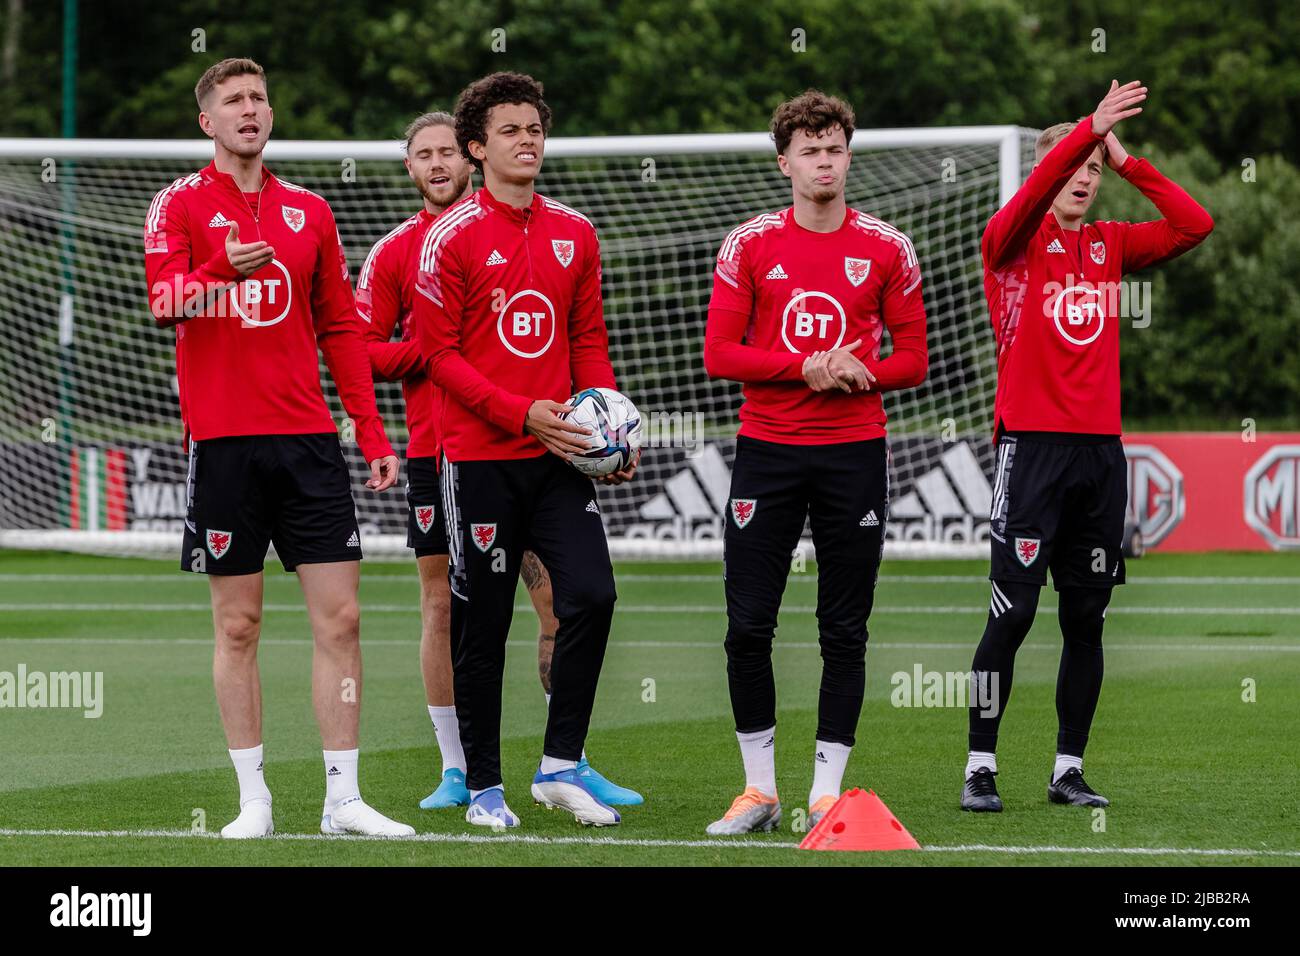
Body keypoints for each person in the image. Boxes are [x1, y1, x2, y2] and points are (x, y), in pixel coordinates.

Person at [143, 57, 413, 838]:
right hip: (223, 445)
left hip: (309, 443)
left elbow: (340, 329)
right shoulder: (179, 205)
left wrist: (370, 431)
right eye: (233, 101)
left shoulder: (310, 212)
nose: (250, 109)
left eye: (259, 97)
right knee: (239, 625)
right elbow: (164, 302)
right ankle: (252, 799)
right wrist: (220, 268)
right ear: (208, 122)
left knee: (343, 619)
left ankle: (344, 800)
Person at [360, 110, 641, 811]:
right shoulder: (431, 243)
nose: (527, 140)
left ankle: (561, 765)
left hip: (558, 459)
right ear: (481, 147)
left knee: (589, 598)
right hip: (468, 458)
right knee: (470, 618)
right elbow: (427, 352)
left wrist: (610, 428)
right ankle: (474, 778)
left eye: (536, 129)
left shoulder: (575, 232)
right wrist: (519, 410)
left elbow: (589, 341)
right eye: (509, 130)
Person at [961, 80, 1214, 812]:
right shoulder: (1010, 244)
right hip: (1032, 450)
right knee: (1010, 616)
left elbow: (1194, 224)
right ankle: (980, 766)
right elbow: (1032, 193)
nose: (1082, 178)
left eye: (1093, 170)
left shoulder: (1108, 245)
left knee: (1085, 618)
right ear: (1049, 172)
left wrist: (1126, 158)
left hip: (1100, 455)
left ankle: (1067, 769)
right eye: (1073, 165)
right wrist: (1084, 131)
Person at [702, 90, 929, 834]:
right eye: (809, 149)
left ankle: (827, 792)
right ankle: (758, 791)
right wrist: (806, 367)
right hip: (767, 453)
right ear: (785, 163)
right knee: (747, 626)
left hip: (853, 454)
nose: (823, 161)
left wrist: (854, 373)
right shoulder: (750, 244)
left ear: (848, 156)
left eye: (834, 148)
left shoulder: (888, 246)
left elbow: (916, 359)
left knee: (844, 630)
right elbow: (720, 353)